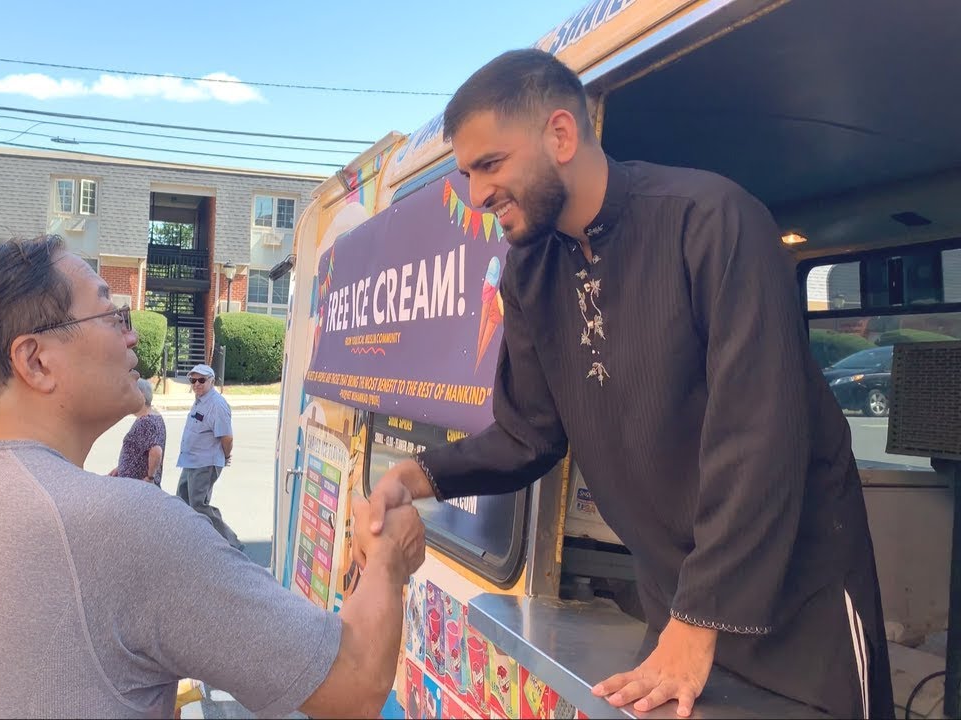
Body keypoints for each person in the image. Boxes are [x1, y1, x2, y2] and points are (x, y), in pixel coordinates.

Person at [358, 49, 890, 719]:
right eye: (466, 173)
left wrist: (700, 619)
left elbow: (760, 431)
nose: (476, 194)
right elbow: (528, 435)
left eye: (490, 165)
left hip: (800, 596)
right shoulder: (528, 273)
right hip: (675, 605)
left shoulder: (711, 220)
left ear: (560, 134)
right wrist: (413, 476)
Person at [0, 235, 426, 718]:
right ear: (35, 360)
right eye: (112, 313)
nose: (134, 333)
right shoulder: (121, 523)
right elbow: (352, 685)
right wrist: (387, 560)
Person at [176, 363, 242, 551]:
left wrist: (226, 456)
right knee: (182, 502)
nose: (197, 384)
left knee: (198, 505)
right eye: (193, 380)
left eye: (201, 380)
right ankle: (193, 542)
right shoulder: (200, 399)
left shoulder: (217, 404)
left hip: (205, 462)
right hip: (190, 461)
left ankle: (230, 542)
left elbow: (227, 437)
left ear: (211, 381)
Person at [109, 377, 166, 485]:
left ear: (141, 395)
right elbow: (138, 450)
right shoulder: (154, 415)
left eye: (130, 394)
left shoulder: (146, 422)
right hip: (135, 484)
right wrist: (120, 468)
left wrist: (150, 477)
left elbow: (156, 452)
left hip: (137, 486)